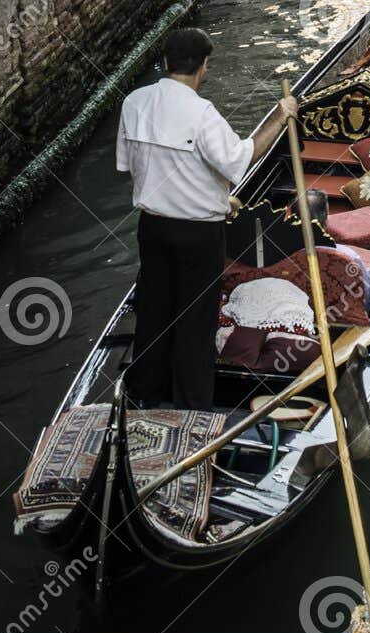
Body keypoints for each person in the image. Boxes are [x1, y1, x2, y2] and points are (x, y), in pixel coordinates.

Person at [117, 26, 298, 409]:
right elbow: (241, 159)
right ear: (204, 67)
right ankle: (192, 407)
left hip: (152, 229)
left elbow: (135, 166)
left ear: (165, 62)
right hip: (199, 235)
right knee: (195, 321)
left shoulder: (133, 103)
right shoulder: (202, 114)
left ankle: (145, 396)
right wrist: (280, 118)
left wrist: (215, 196)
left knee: (154, 313)